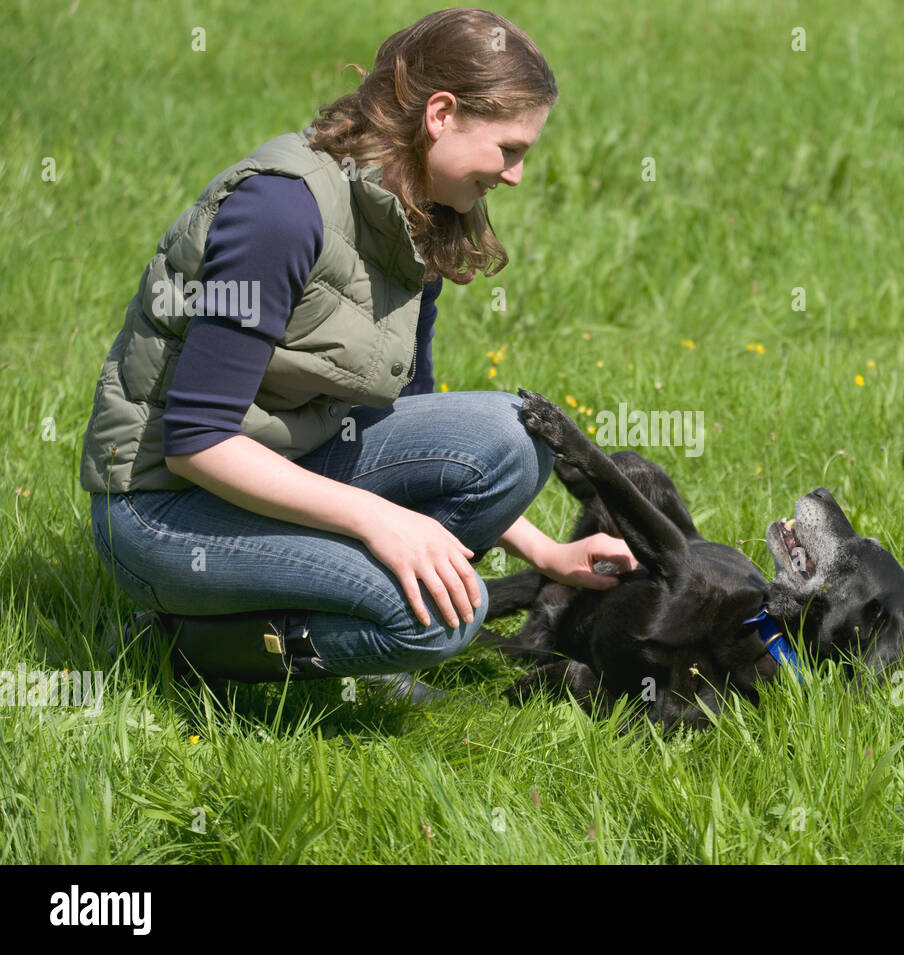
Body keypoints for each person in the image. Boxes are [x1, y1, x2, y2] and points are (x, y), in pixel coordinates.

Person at [81, 8, 635, 699]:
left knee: (516, 439)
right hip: (163, 507)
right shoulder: (280, 214)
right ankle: (178, 640)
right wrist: (380, 521)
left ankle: (343, 605)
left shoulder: (416, 220)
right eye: (510, 149)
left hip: (286, 466)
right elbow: (197, 442)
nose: (516, 175)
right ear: (441, 113)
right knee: (435, 620)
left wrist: (547, 552)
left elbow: (413, 417)